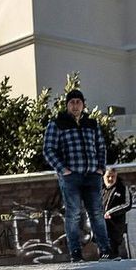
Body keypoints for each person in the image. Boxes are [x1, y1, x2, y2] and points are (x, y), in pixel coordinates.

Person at [42, 88, 116, 261]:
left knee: (97, 213)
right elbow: (48, 149)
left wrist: (100, 169)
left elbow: (101, 147)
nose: (75, 105)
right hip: (71, 177)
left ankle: (105, 251)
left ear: (83, 105)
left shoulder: (92, 124)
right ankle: (75, 253)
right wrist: (63, 170)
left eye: (78, 102)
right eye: (72, 102)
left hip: (92, 175)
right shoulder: (57, 124)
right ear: (67, 105)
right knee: (73, 214)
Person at [103, 167, 132, 260]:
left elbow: (127, 204)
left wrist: (111, 212)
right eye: (108, 176)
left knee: (115, 246)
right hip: (102, 224)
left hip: (116, 224)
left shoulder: (122, 188)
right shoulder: (100, 189)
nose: (110, 179)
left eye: (113, 176)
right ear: (103, 176)